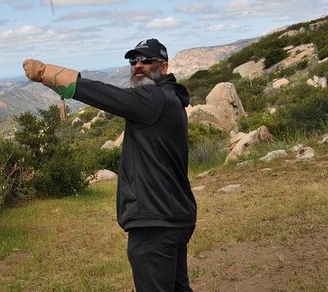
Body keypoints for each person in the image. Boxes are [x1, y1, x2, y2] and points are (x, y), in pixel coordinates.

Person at [23, 38, 197, 291]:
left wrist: (48, 73)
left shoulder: (153, 99)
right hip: (173, 216)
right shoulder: (170, 99)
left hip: (155, 221)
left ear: (164, 67)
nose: (138, 65)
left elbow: (105, 95)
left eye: (147, 60)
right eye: (133, 60)